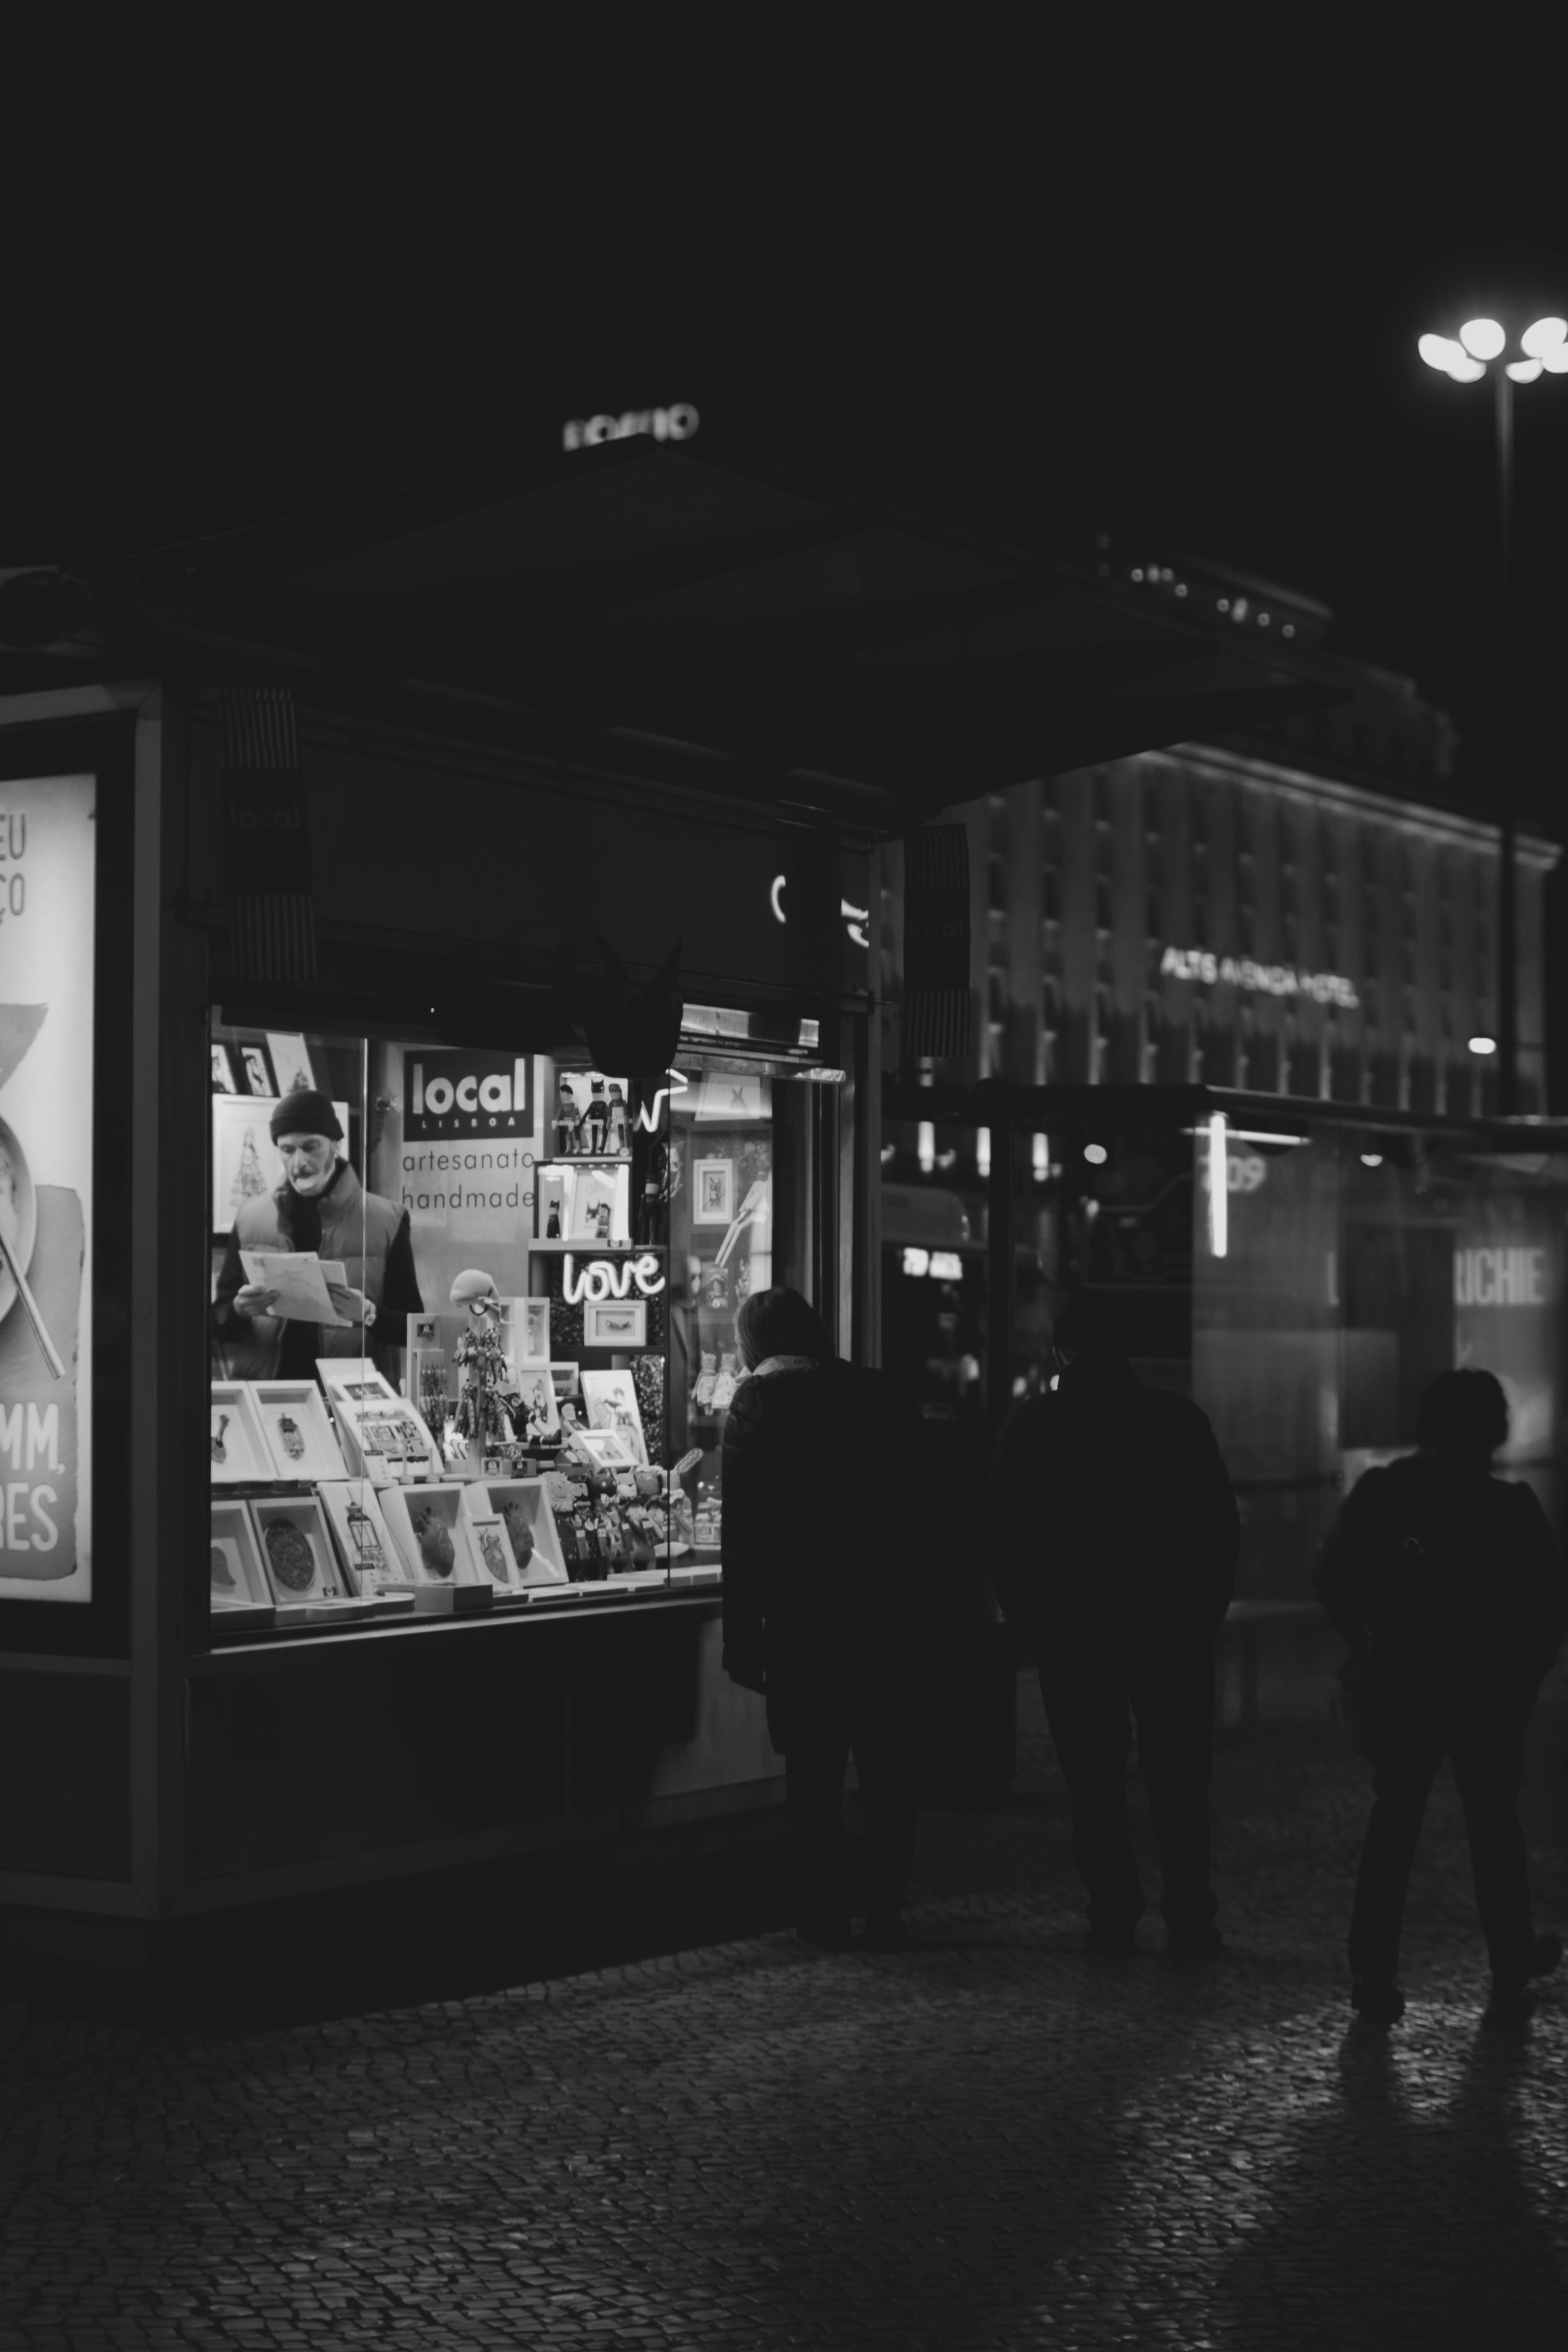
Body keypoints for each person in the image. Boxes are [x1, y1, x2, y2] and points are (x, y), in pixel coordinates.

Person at [985, 1293, 1239, 1959]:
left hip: (1074, 1629)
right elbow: (1217, 1531)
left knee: (1092, 1780)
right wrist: (1201, 1616)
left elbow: (1006, 1536)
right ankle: (1189, 1913)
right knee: (1178, 1779)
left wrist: (1031, 1620)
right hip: (1169, 1627)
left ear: (1060, 1353)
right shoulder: (1176, 1420)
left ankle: (1112, 1908)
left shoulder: (1032, 1425)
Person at [1315, 1367, 1567, 2030]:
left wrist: (1368, 1641)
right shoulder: (1507, 1506)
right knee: (1493, 1823)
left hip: (1398, 1681)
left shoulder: (1379, 1492)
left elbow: (1332, 1577)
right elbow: (1542, 1610)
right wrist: (1519, 1679)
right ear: (1491, 1429)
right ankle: (1510, 1959)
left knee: (1392, 1823)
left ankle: (1372, 1970)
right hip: (1483, 1689)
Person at [721, 1286, 952, 1953]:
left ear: (753, 1344)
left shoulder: (756, 1405)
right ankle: (886, 1910)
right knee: (887, 1773)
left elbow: (746, 1539)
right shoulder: (878, 1395)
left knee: (813, 1773)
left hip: (804, 1621)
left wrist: (743, 1642)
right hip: (889, 1612)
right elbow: (930, 1494)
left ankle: (824, 1914)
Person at [212, 1089, 423, 1380]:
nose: (298, 1162)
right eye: (287, 1150)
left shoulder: (388, 1220)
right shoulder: (250, 1216)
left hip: (350, 1400)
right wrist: (239, 1310)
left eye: (311, 1147)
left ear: (335, 1145)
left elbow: (416, 1330)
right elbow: (218, 1322)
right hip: (266, 1398)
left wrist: (367, 1313)